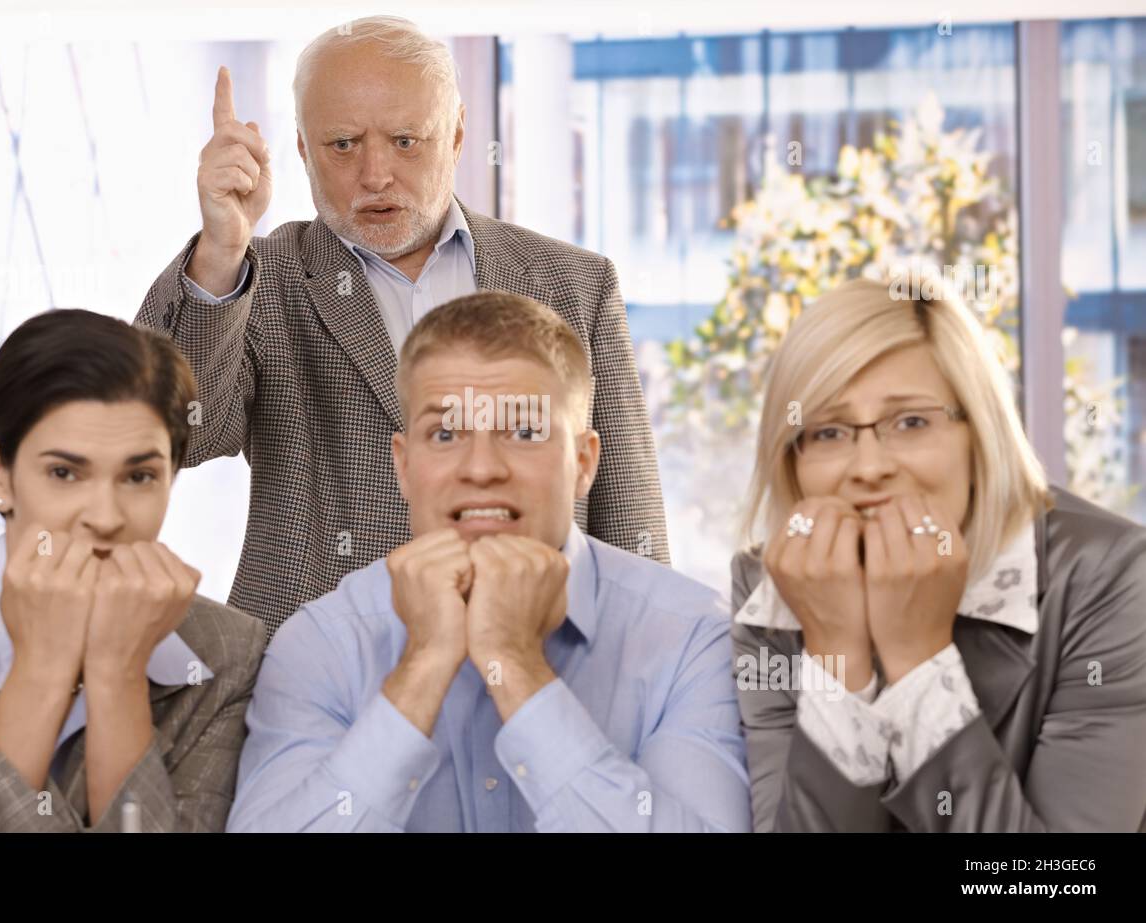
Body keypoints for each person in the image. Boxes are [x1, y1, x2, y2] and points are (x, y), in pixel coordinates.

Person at [134, 15, 669, 638]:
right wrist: (222, 251)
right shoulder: (261, 278)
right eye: (343, 144)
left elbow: (628, 518)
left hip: (536, 662)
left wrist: (640, 665)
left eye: (406, 140)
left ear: (459, 135)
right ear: (303, 150)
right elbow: (175, 435)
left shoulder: (575, 283)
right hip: (318, 676)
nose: (376, 174)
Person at [227, 291, 749, 832]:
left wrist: (516, 664)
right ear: (404, 468)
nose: (481, 469)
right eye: (446, 433)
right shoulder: (319, 643)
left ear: (584, 463)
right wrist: (423, 666)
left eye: (524, 432)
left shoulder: (692, 637)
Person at [730, 277, 1146, 832]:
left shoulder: (1109, 575)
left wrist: (918, 660)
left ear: (980, 433)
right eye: (828, 432)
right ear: (792, 459)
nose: (869, 466)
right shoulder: (772, 594)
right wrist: (837, 658)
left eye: (910, 422)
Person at [0, 310, 267, 832]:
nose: (106, 518)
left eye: (140, 476)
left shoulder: (231, 651)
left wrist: (118, 674)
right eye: (64, 472)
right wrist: (42, 668)